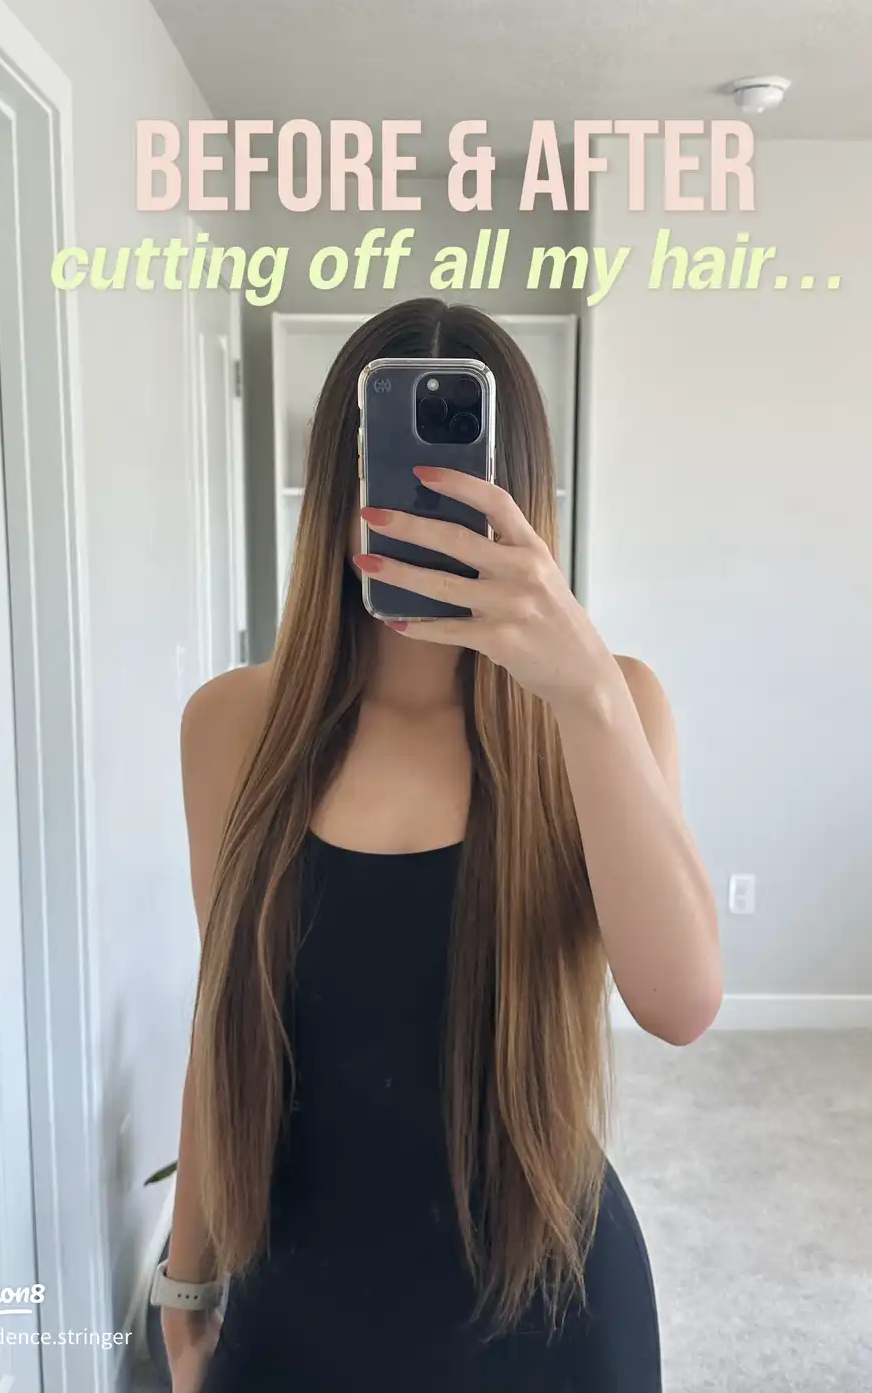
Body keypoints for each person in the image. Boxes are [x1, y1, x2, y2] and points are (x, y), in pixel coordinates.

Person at [158, 298, 722, 1393]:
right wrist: (187, 1286)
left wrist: (586, 697)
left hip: (550, 1313)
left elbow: (681, 1003)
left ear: (523, 499)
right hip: (296, 1313)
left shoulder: (611, 711)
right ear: (340, 489)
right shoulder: (231, 725)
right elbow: (222, 1023)